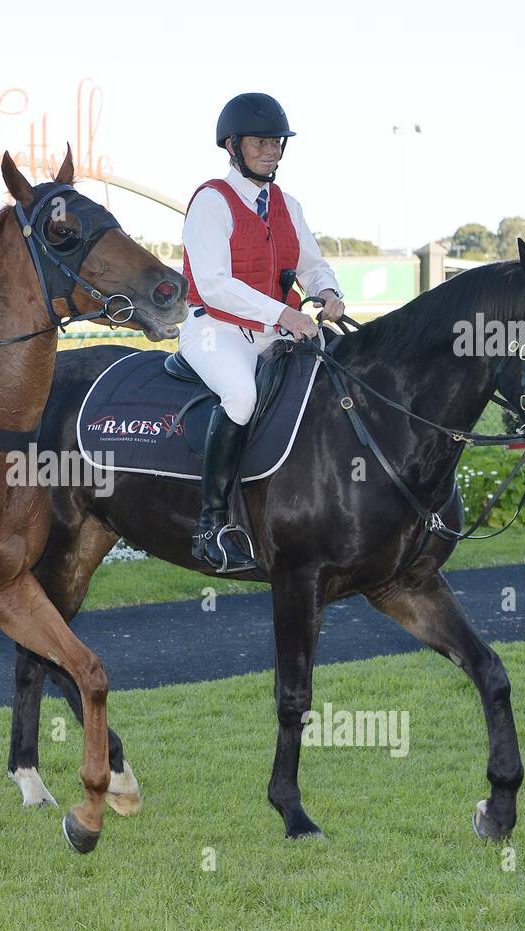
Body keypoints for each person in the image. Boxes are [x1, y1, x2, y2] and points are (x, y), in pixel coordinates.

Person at [179, 93, 346, 573]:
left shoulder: (288, 205)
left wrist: (328, 292)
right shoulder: (211, 200)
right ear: (232, 146)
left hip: (275, 330)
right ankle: (210, 527)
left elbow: (313, 266)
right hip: (215, 329)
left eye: (276, 142)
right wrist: (285, 315)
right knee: (241, 396)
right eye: (260, 142)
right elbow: (213, 285)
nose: (271, 150)